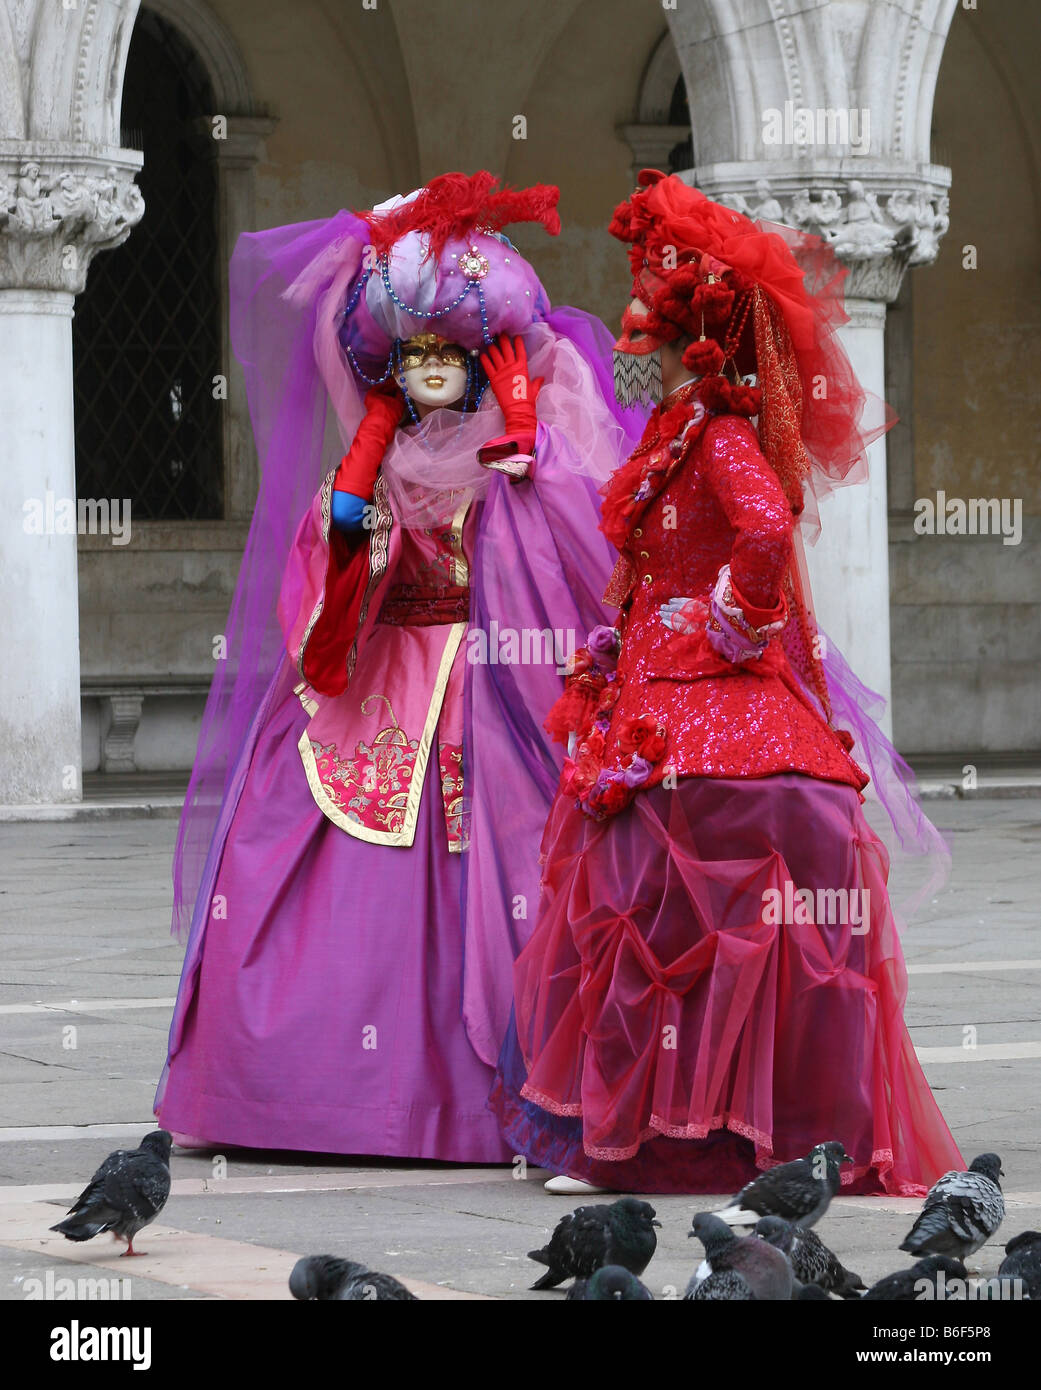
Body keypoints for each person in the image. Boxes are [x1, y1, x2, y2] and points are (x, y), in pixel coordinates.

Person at [491, 171, 964, 1197]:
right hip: (650, 699)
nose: (627, 359)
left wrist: (726, 621)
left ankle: (695, 1137)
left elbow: (763, 526)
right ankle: (638, 1128)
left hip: (705, 700)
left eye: (641, 343)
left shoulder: (720, 435)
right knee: (635, 914)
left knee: (664, 917)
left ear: (678, 345)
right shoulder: (673, 437)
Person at [155, 172, 638, 1159]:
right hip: (380, 682)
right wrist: (358, 502)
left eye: (445, 352)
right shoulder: (384, 455)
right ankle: (309, 1094)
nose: (425, 369)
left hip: (498, 685)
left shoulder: (527, 458)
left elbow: (583, 564)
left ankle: (488, 1098)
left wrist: (525, 453)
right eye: (409, 353)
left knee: (509, 869)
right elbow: (335, 572)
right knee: (295, 850)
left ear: (481, 358)